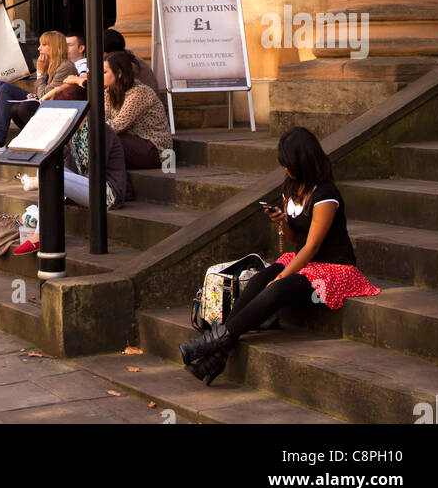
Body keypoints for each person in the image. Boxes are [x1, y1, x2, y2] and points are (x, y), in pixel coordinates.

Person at [179, 126, 381, 385]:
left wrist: (284, 275)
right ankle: (218, 355)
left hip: (333, 268)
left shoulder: (326, 194)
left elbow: (313, 246)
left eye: (289, 164)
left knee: (277, 288)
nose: (285, 169)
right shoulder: (291, 187)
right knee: (257, 280)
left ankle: (209, 345)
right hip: (304, 262)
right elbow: (296, 239)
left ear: (304, 162)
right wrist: (283, 223)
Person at [13, 83, 127, 256]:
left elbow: (95, 170)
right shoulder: (74, 130)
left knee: (56, 178)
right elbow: (70, 166)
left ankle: (40, 236)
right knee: (46, 169)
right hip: (86, 185)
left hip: (106, 192)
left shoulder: (99, 130)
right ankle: (40, 231)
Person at [0, 30, 75, 158]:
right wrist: (35, 94)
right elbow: (41, 93)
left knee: (6, 90)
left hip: (55, 110)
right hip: (43, 102)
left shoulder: (65, 66)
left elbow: (45, 96)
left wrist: (39, 73)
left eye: (44, 45)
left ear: (54, 47)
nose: (39, 48)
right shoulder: (50, 64)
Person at [103, 49, 172, 168]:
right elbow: (105, 119)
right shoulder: (109, 91)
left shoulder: (139, 93)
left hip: (155, 149)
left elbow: (117, 126)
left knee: (103, 141)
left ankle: (112, 184)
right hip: (130, 141)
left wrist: (86, 128)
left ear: (119, 73)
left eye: (104, 72)